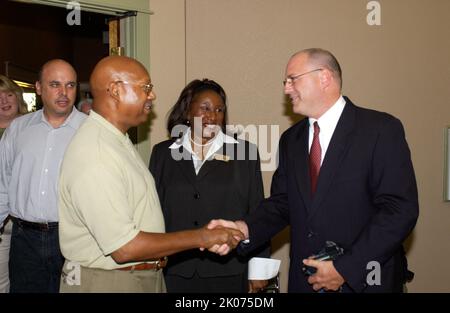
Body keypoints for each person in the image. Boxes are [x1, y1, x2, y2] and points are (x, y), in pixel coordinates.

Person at [209, 48, 419, 293]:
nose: (286, 89)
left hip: (363, 283)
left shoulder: (380, 130)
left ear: (324, 78)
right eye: (285, 82)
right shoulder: (291, 140)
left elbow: (399, 210)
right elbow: (282, 203)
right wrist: (244, 228)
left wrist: (345, 268)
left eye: (292, 79)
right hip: (305, 284)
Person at [58, 56, 243, 293]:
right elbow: (124, 247)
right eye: (146, 88)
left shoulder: (117, 141)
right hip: (110, 282)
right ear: (115, 90)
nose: (152, 96)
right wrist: (203, 237)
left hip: (137, 277)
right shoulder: (96, 152)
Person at [149, 79, 270, 293]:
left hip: (228, 271)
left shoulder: (245, 153)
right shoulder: (163, 154)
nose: (212, 116)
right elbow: (152, 213)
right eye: (204, 108)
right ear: (187, 112)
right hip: (176, 269)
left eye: (219, 110)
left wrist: (259, 269)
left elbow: (257, 212)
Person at [0, 60, 86, 293]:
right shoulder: (17, 129)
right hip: (24, 241)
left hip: (73, 239)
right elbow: (2, 183)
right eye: (55, 84)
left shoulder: (90, 131)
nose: (63, 93)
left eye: (70, 85)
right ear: (38, 87)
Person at [0, 75, 28, 293]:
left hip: (30, 224)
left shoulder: (35, 128)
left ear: (18, 97)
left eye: (9, 94)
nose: (4, 100)